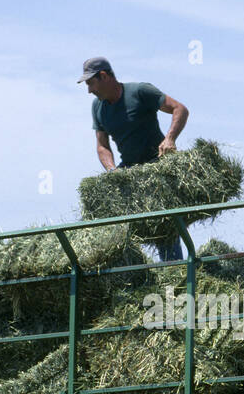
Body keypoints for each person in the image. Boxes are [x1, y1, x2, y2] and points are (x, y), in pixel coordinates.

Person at [78, 56, 189, 261]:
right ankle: (130, 275)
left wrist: (170, 139)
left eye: (90, 83)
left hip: (158, 169)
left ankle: (175, 273)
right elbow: (102, 145)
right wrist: (112, 170)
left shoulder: (140, 92)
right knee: (114, 224)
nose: (89, 90)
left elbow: (179, 109)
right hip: (129, 172)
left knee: (164, 225)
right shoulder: (98, 108)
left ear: (104, 76)